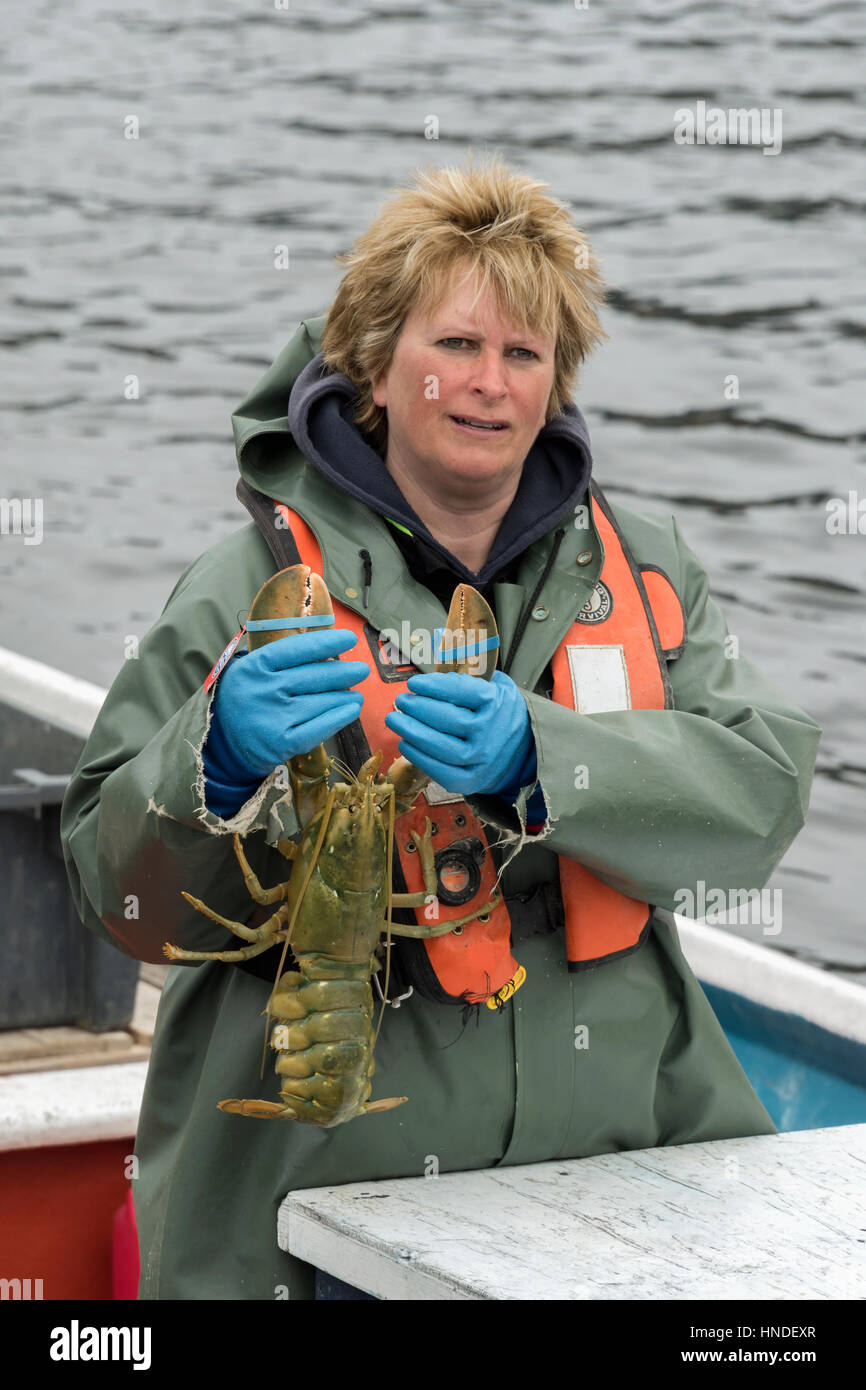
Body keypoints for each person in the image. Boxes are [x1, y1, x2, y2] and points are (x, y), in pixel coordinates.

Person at [60, 152, 821, 1301]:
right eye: (453, 346)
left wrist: (546, 757)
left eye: (524, 354)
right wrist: (208, 761)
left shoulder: (645, 568)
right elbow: (114, 898)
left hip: (627, 1170)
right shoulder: (243, 587)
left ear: (555, 382)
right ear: (372, 365)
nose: (488, 383)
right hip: (313, 1203)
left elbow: (754, 807)